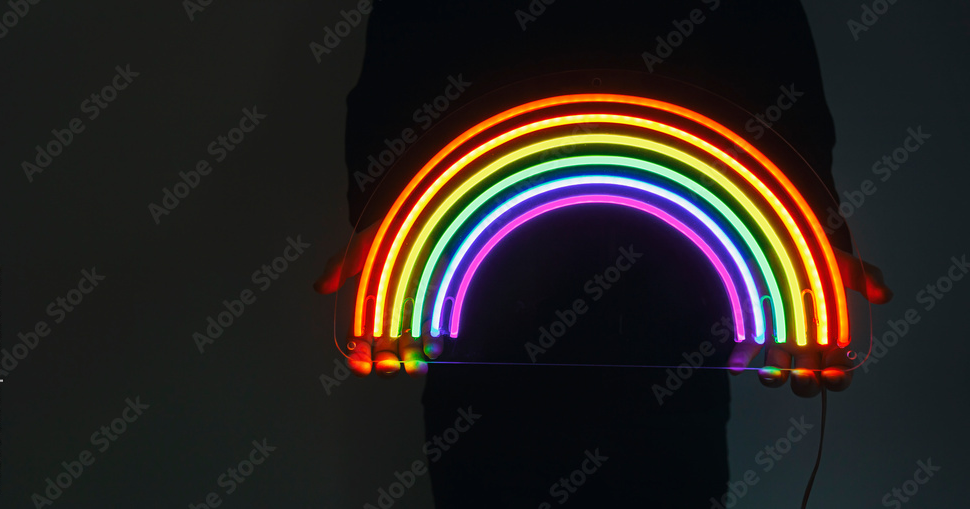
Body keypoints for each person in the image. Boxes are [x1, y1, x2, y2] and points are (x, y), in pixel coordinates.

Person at [315, 1, 892, 506]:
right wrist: (385, 208)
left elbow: (768, 45)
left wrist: (810, 235)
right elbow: (406, 49)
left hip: (674, 323)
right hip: (488, 316)